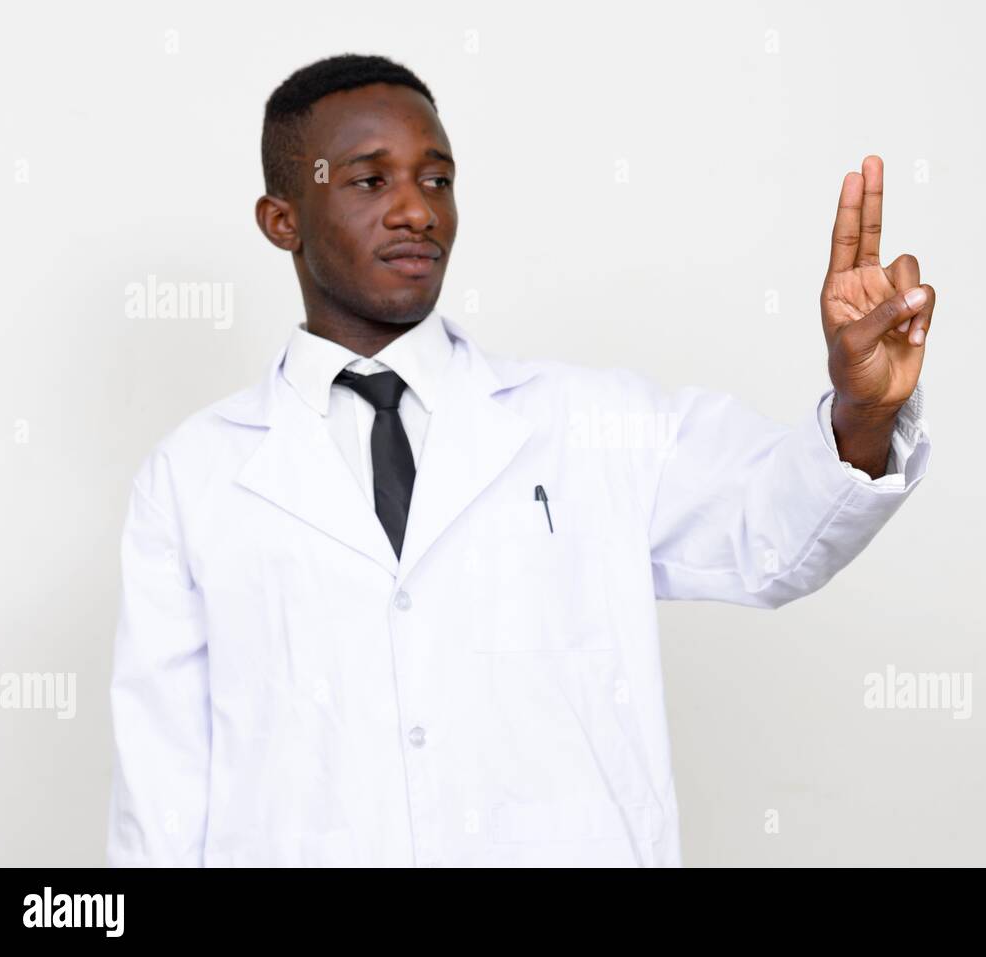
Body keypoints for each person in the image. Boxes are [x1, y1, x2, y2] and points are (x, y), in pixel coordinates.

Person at [106, 53, 937, 867]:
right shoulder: (191, 479)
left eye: (436, 179)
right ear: (281, 218)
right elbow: (163, 795)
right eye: (370, 180)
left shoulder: (593, 422)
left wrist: (866, 410)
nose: (416, 212)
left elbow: (774, 534)